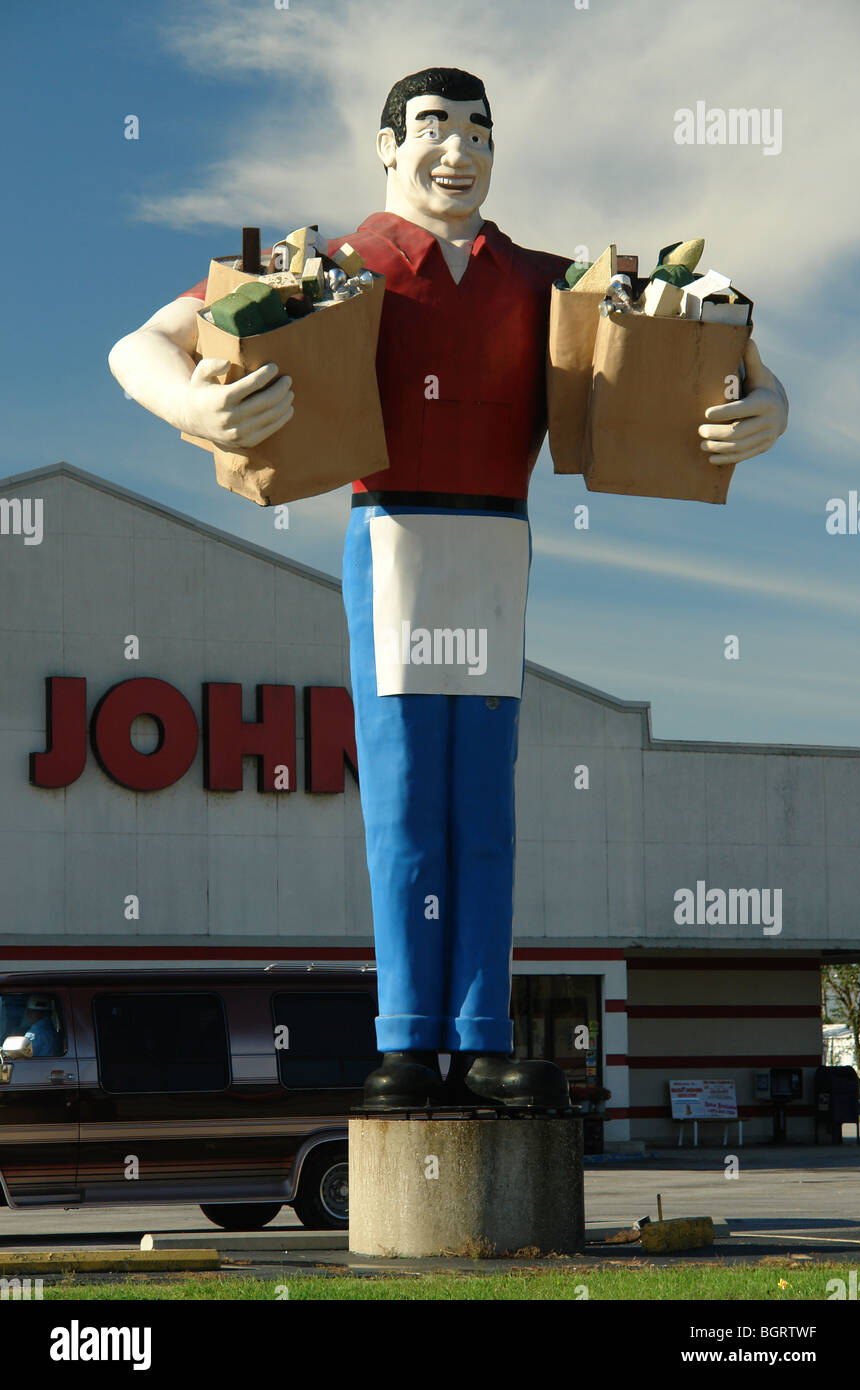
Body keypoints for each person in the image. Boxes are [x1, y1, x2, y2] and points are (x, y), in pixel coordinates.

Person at [108, 67, 789, 1110]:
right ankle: (405, 1041)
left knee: (483, 806)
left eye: (478, 130)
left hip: (495, 554)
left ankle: (480, 1036)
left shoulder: (547, 280)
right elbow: (141, 342)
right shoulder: (329, 270)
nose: (457, 150)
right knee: (402, 803)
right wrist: (193, 405)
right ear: (385, 148)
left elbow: (701, 338)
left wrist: (763, 404)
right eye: (430, 128)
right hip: (391, 543)